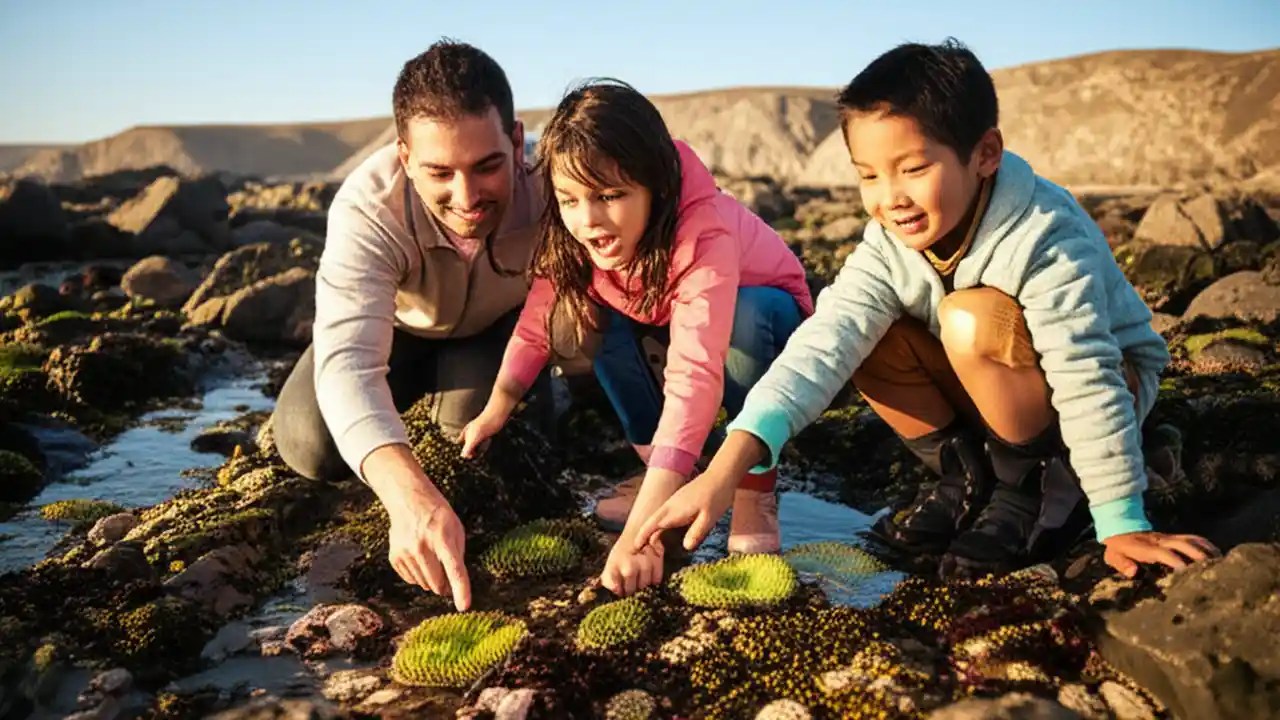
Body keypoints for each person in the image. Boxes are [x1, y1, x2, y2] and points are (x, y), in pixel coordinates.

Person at [632, 39, 1220, 580]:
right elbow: (820, 349)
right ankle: (967, 479)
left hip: (1097, 391)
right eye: (869, 175)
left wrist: (1122, 522)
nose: (891, 198)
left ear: (985, 153)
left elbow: (1085, 373)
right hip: (994, 388)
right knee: (862, 333)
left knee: (970, 318)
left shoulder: (1045, 233)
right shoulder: (888, 243)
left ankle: (1036, 489)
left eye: (913, 169)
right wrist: (723, 470)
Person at [459, 79, 813, 597]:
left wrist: (638, 533)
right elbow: (538, 322)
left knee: (747, 315)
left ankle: (754, 486)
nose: (589, 219)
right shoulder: (574, 231)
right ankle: (662, 476)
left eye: (610, 196)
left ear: (657, 185)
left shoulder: (703, 230)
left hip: (763, 328)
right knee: (591, 317)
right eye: (570, 199)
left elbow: (696, 373)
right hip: (662, 315)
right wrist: (498, 406)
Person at [270, 40, 549, 611]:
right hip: (398, 334)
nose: (467, 197)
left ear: (517, 141)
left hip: (497, 333)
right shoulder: (368, 207)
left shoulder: (556, 181)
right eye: (439, 172)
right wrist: (407, 496)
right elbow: (349, 362)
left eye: (489, 166)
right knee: (309, 444)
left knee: (483, 449)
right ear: (403, 157)